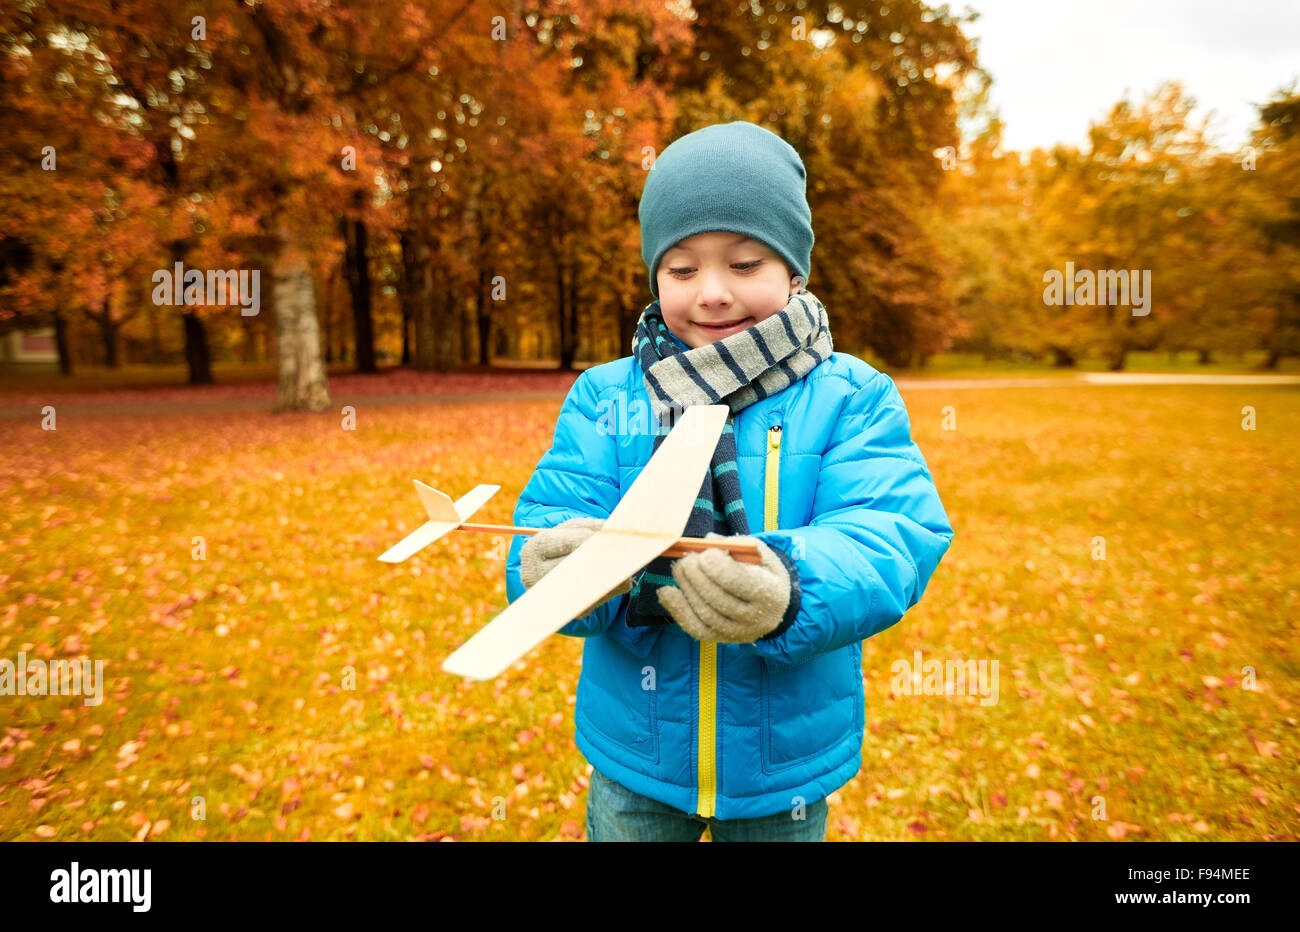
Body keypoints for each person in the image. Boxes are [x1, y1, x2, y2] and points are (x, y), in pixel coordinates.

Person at [504, 121, 954, 841]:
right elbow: (549, 518)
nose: (711, 293)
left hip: (783, 767)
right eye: (681, 270)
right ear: (655, 277)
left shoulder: (851, 396)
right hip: (637, 758)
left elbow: (894, 533)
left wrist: (794, 586)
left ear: (795, 274)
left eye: (744, 263)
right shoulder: (604, 395)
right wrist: (548, 568)